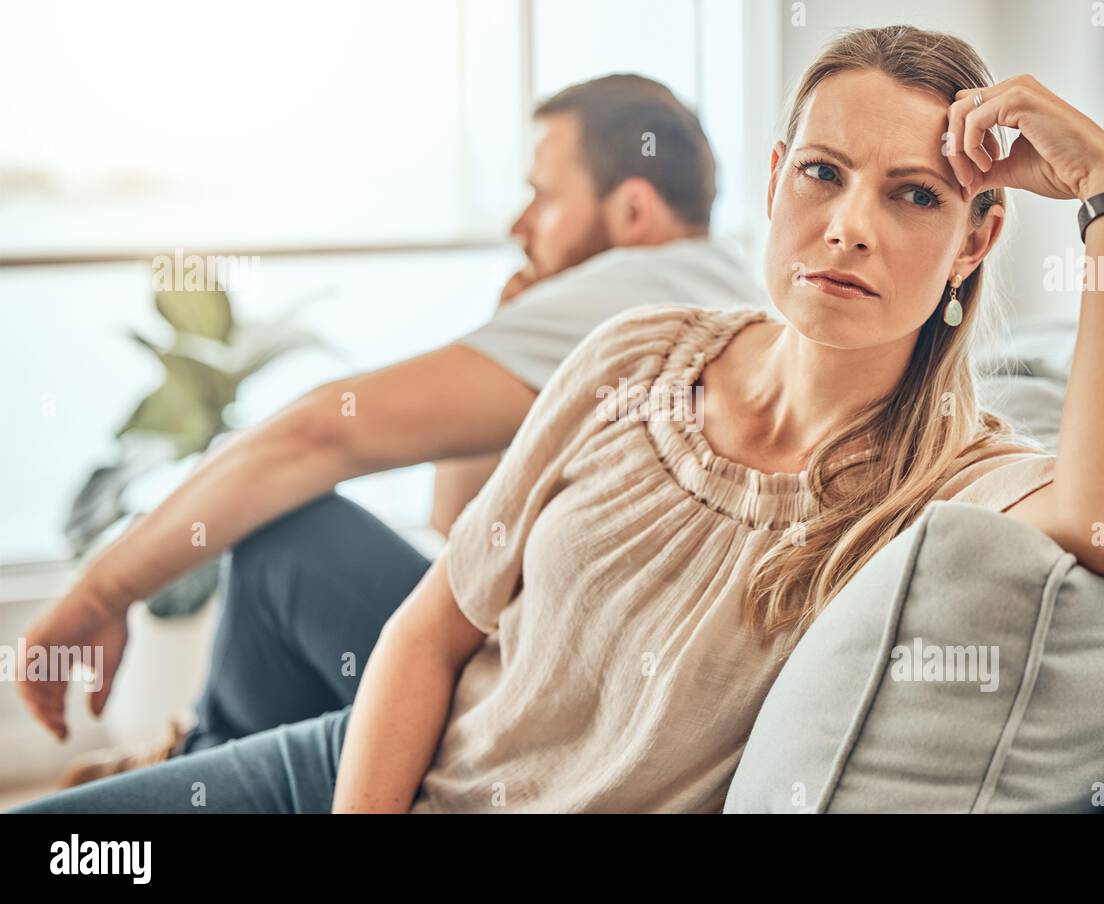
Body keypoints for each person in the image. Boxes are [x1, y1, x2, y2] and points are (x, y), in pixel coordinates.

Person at [11, 23, 1104, 814]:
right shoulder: (635, 350)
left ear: (976, 241)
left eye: (913, 196)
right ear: (774, 182)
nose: (847, 226)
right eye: (822, 174)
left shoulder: (956, 478)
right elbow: (431, 630)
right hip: (365, 758)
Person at [16, 73, 764, 787]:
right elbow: (458, 525)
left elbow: (318, 435)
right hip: (597, 703)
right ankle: (208, 755)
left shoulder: (636, 294)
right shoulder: (729, 288)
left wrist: (101, 592)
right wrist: (511, 329)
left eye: (542, 197)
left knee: (289, 537)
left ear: (631, 211)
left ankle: (201, 759)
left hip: (528, 708)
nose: (518, 225)